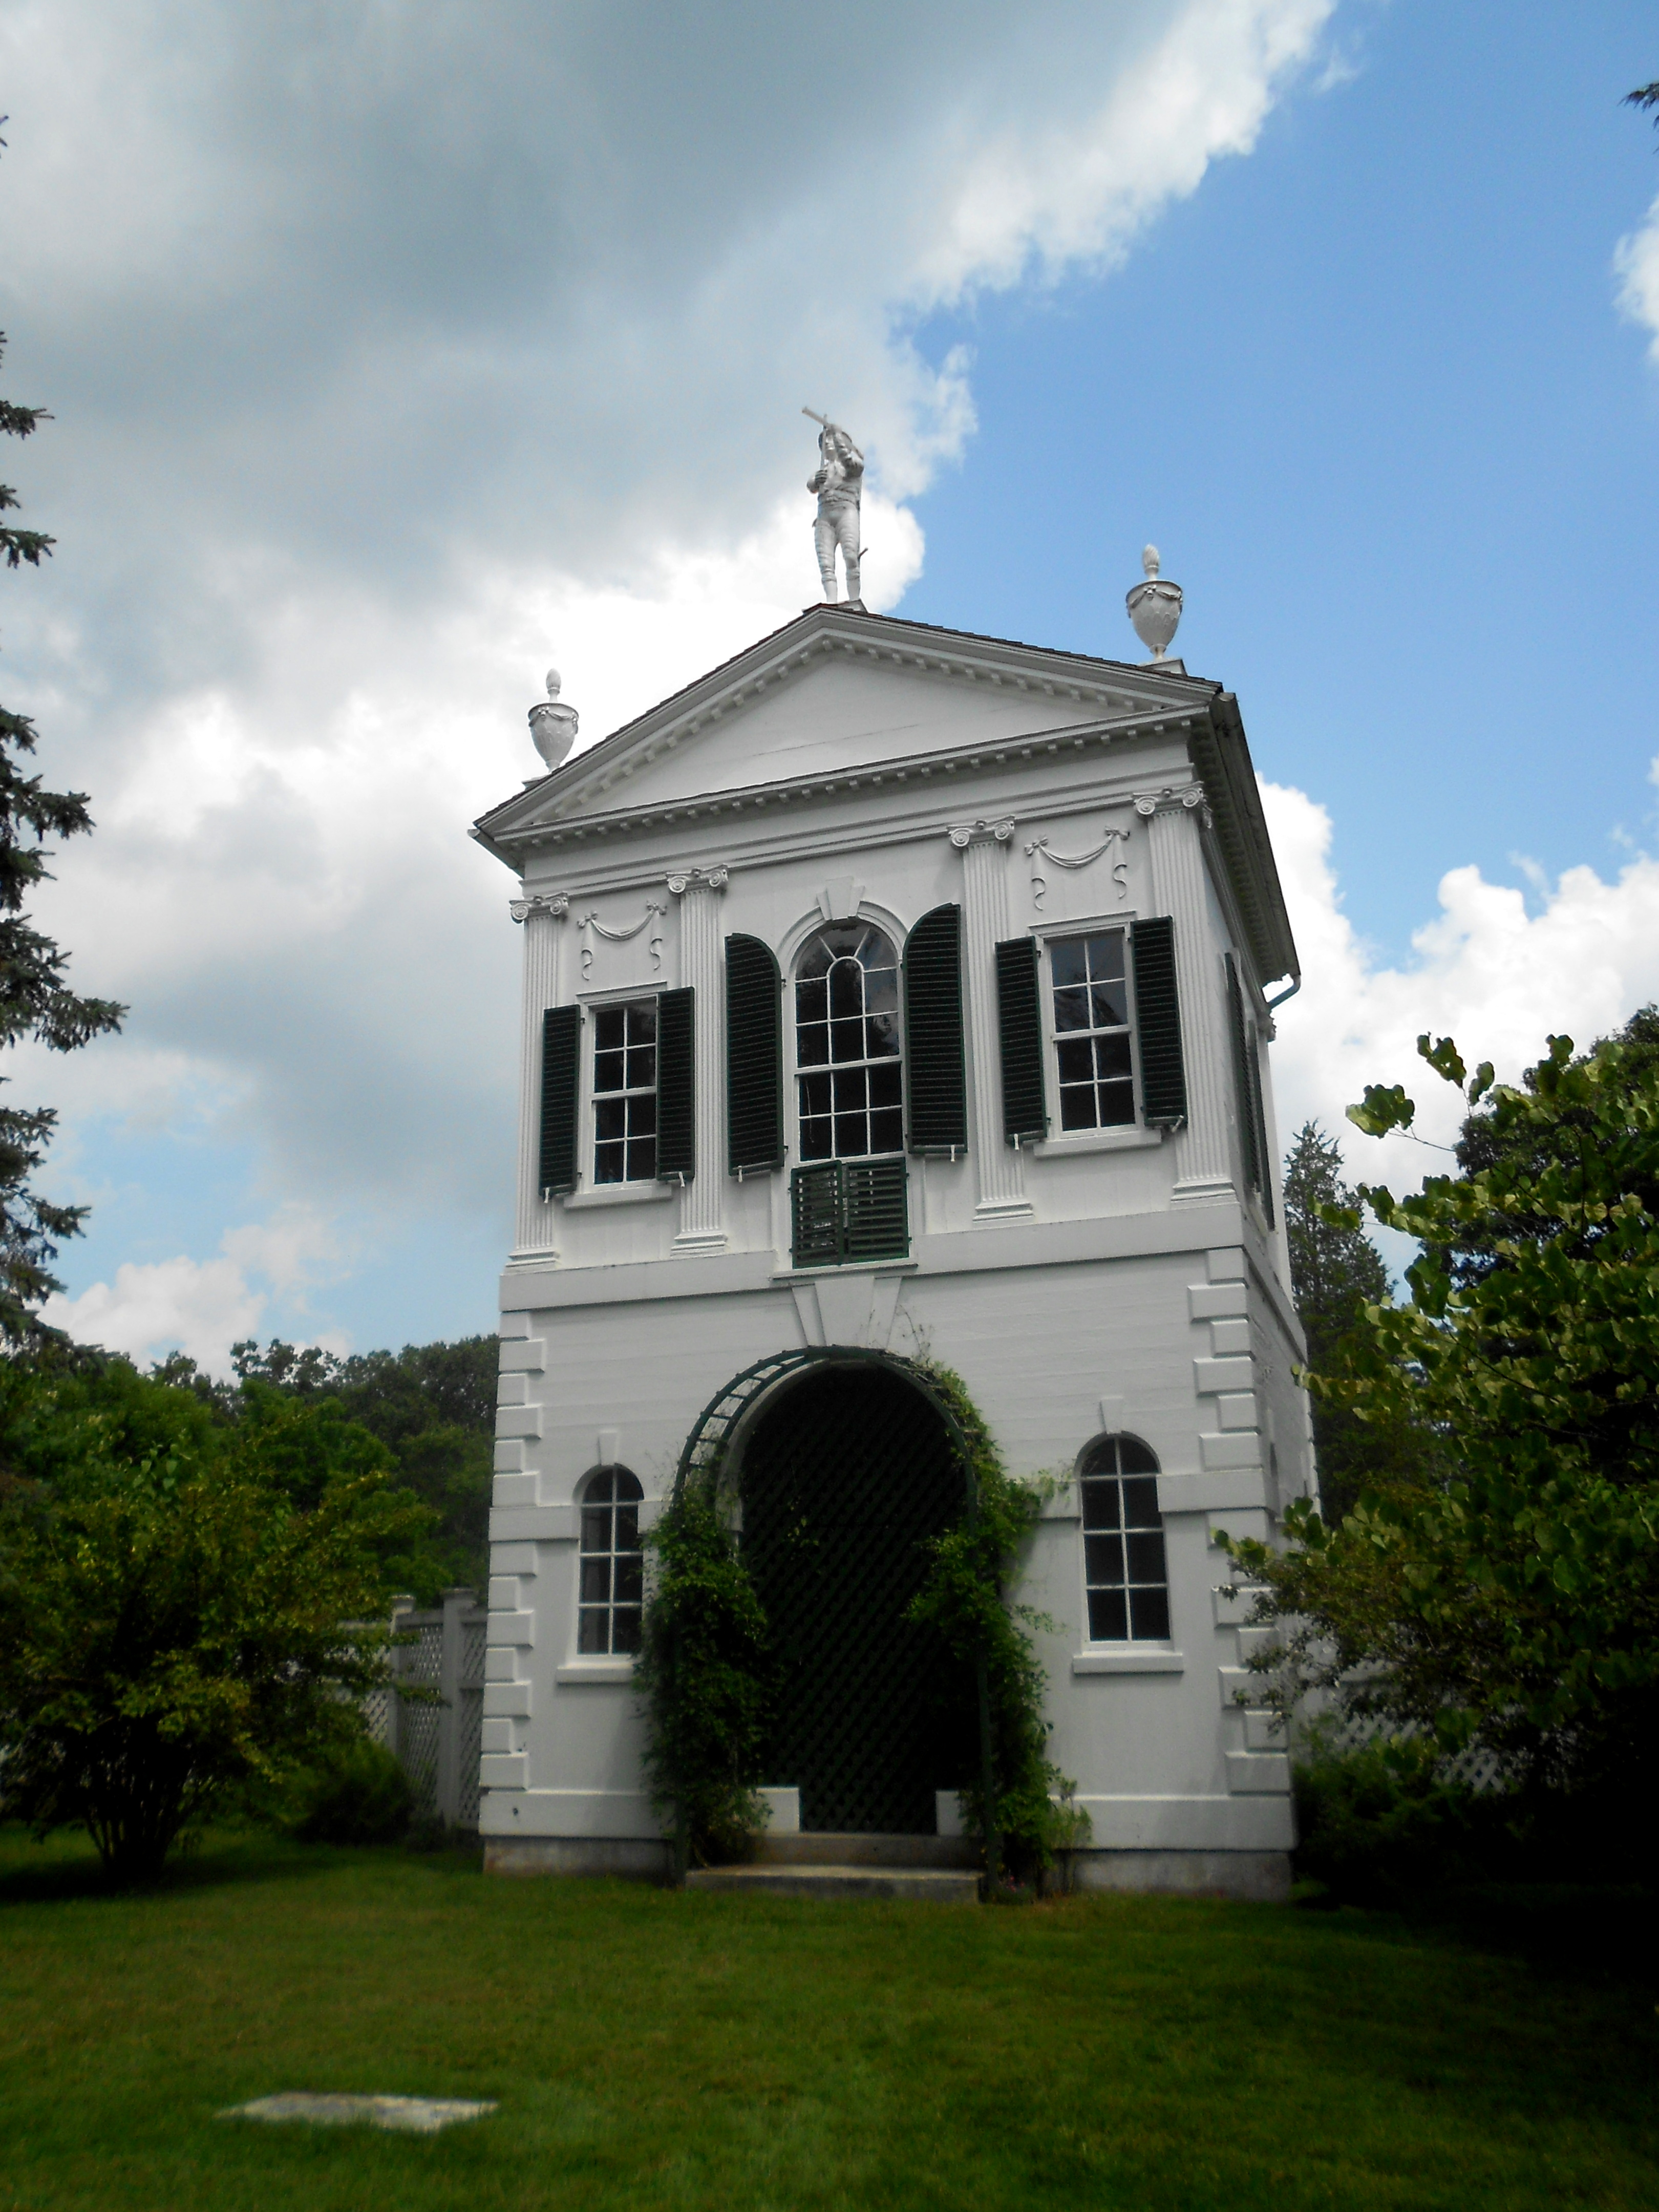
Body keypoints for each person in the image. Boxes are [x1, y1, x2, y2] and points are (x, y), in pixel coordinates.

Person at [808, 421, 864, 602]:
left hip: (845, 510)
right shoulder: (822, 472)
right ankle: (831, 601)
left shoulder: (854, 464)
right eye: (825, 442)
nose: (828, 444)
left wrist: (839, 437)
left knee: (851, 557)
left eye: (831, 440)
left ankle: (854, 599)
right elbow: (811, 485)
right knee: (826, 564)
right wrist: (816, 480)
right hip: (825, 514)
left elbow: (850, 463)